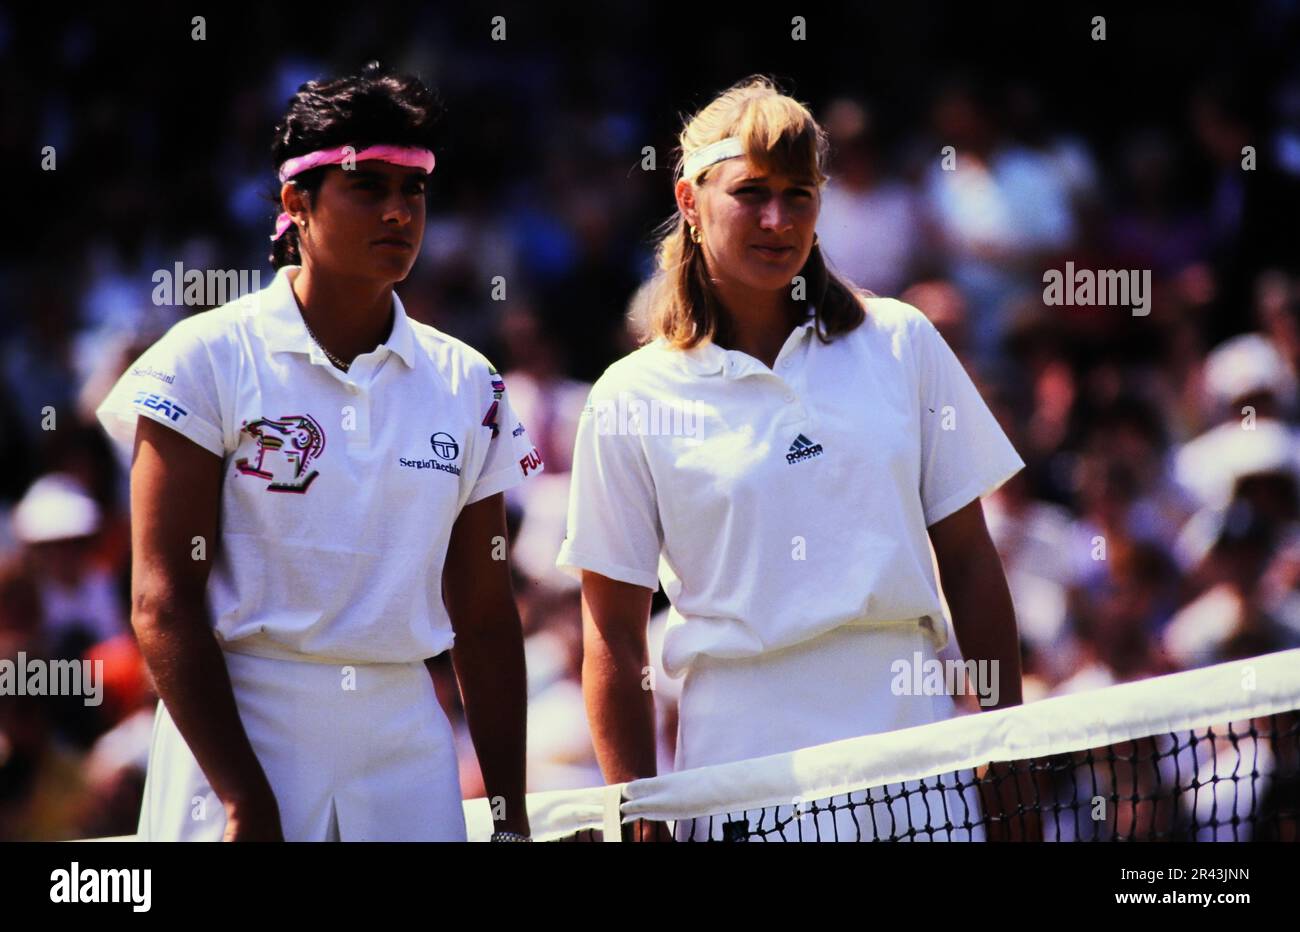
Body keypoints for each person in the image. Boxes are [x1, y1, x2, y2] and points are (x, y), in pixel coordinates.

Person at [557, 76, 1029, 840]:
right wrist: (635, 813)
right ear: (689, 199)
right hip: (741, 779)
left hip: (918, 756)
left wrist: (1010, 754)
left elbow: (971, 562)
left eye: (800, 194)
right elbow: (610, 632)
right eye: (751, 193)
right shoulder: (628, 396)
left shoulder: (901, 340)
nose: (778, 220)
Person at [94, 63, 542, 841]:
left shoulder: (470, 382)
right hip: (234, 734)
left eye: (415, 190)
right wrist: (244, 797)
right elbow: (161, 600)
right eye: (367, 186)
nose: (399, 211)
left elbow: (485, 614)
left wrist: (509, 817)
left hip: (407, 740)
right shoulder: (201, 357)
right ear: (295, 203)